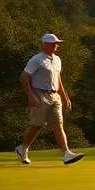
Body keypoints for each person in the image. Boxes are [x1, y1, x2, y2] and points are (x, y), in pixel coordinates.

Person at [14, 33, 84, 165]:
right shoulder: (37, 59)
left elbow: (58, 79)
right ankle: (23, 148)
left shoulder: (57, 60)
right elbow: (24, 77)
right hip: (39, 94)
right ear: (45, 45)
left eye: (56, 43)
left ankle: (67, 153)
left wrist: (65, 97)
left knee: (58, 124)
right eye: (53, 44)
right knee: (37, 124)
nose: (56, 46)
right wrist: (31, 96)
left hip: (54, 96)